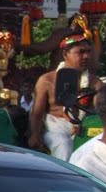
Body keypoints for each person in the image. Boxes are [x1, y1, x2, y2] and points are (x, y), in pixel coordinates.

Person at [29, 31, 97, 160]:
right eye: (81, 52)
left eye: (88, 52)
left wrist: (83, 126)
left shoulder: (95, 83)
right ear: (65, 54)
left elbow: (100, 111)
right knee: (63, 145)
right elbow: (36, 113)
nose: (86, 56)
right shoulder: (47, 80)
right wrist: (34, 135)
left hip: (84, 129)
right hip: (54, 129)